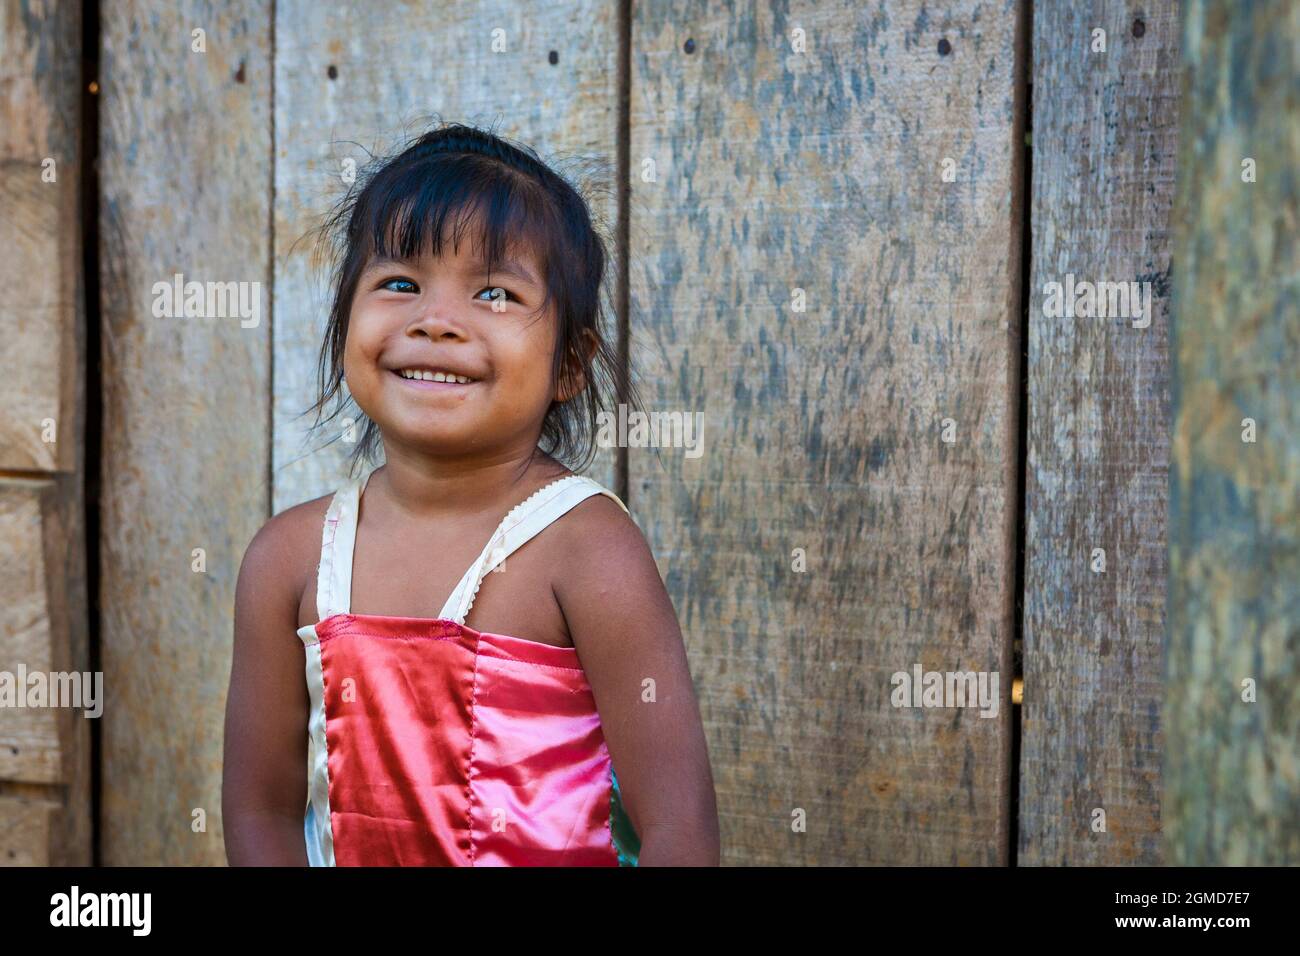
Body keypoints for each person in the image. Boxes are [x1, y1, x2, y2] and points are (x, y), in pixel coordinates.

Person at [222, 122, 719, 866]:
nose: (436, 321)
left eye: (494, 292)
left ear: (569, 366)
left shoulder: (585, 550)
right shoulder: (289, 562)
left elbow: (681, 831)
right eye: (399, 283)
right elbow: (260, 812)